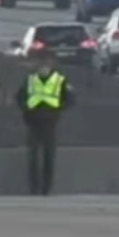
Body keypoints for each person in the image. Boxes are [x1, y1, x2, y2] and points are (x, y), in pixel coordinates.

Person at [16, 50, 75, 195]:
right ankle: (33, 188)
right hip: (33, 121)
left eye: (46, 65)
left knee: (48, 157)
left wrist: (59, 109)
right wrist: (25, 108)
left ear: (51, 66)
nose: (43, 68)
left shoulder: (59, 80)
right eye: (41, 65)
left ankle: (46, 188)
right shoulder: (30, 79)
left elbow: (70, 99)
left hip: (50, 122)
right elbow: (19, 96)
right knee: (33, 158)